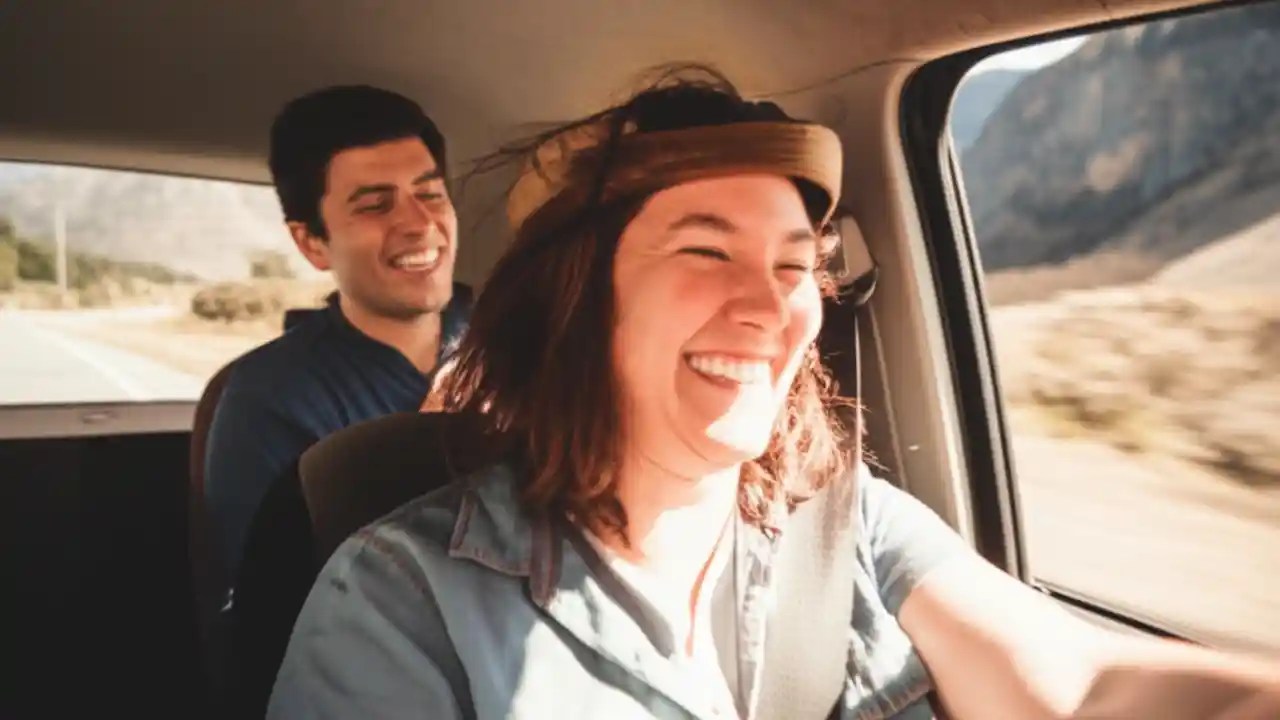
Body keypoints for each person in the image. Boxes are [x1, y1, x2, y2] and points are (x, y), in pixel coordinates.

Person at [267, 70, 1280, 719]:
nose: (767, 306)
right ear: (576, 301)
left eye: (796, 266)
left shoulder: (857, 527)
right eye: (704, 251)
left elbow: (1084, 687)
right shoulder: (398, 601)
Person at [203, 85, 471, 595]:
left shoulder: (520, 349)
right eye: (374, 205)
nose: (419, 224)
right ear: (312, 243)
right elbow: (277, 611)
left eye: (431, 194)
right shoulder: (270, 398)